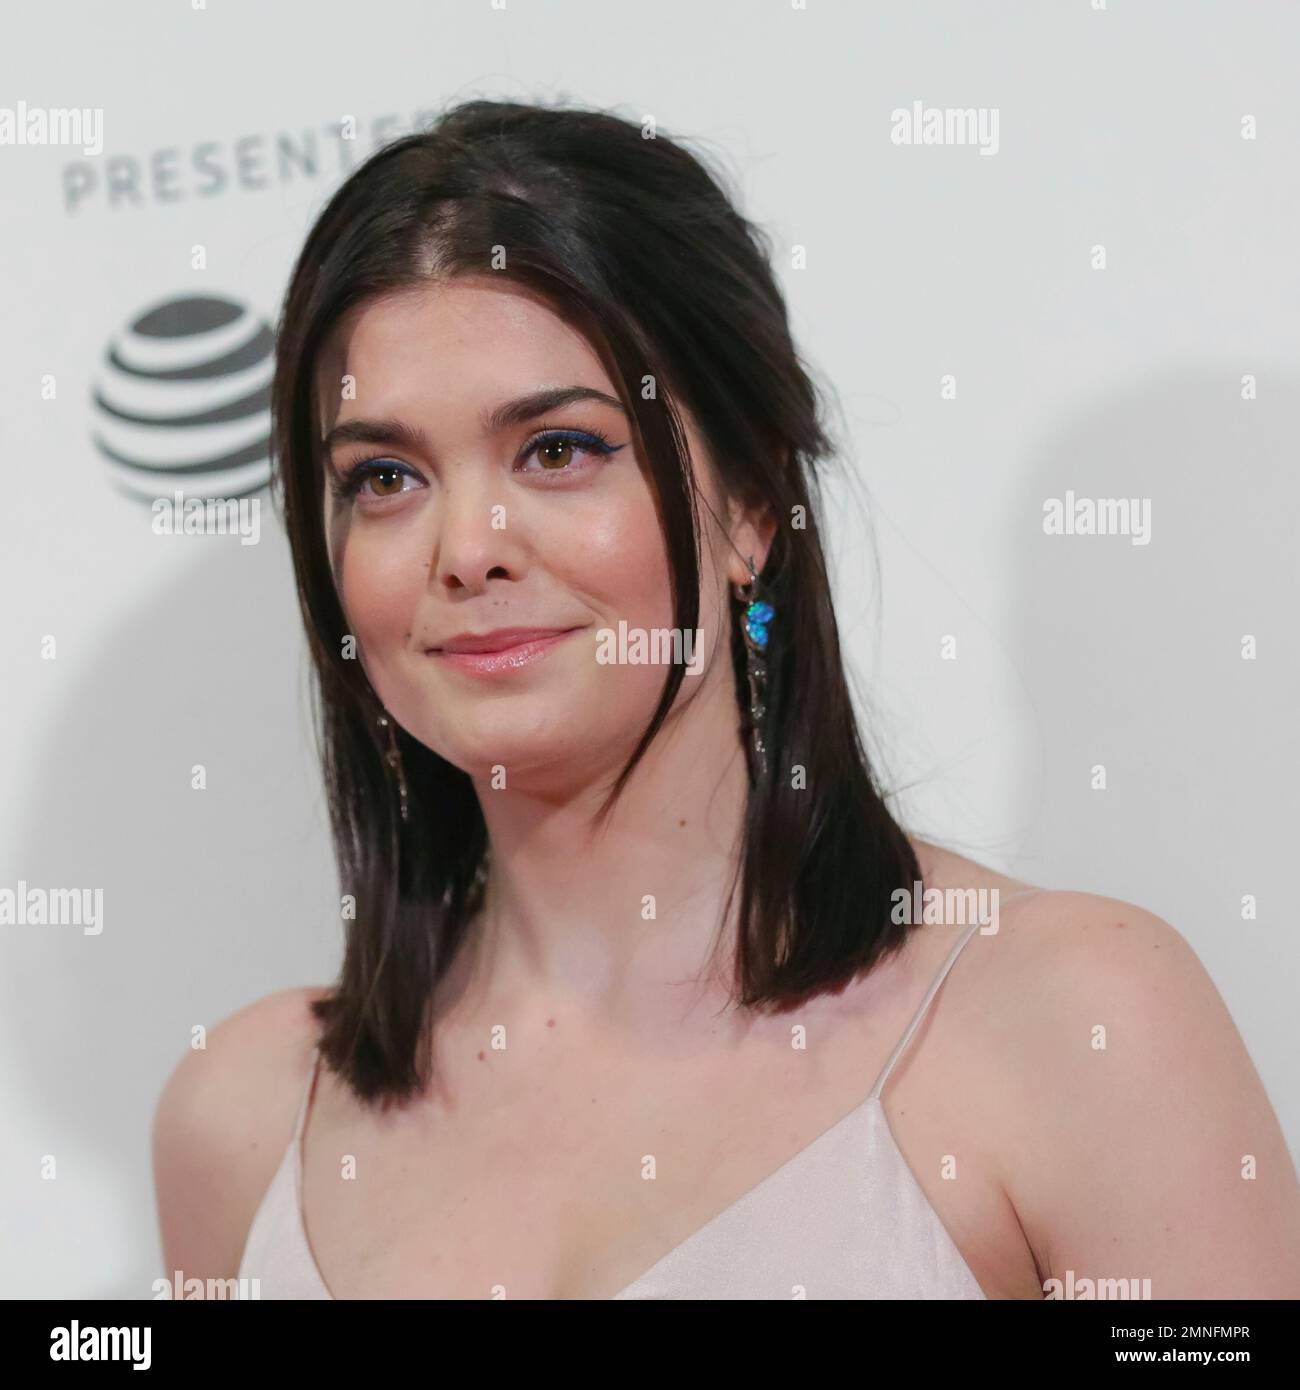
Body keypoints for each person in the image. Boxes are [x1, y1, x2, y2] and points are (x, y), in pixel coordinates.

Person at [151, 99, 1300, 1300]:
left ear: (750, 500)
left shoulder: (1074, 1025)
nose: (466, 549)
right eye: (383, 477)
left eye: (558, 450)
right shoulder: (241, 1119)